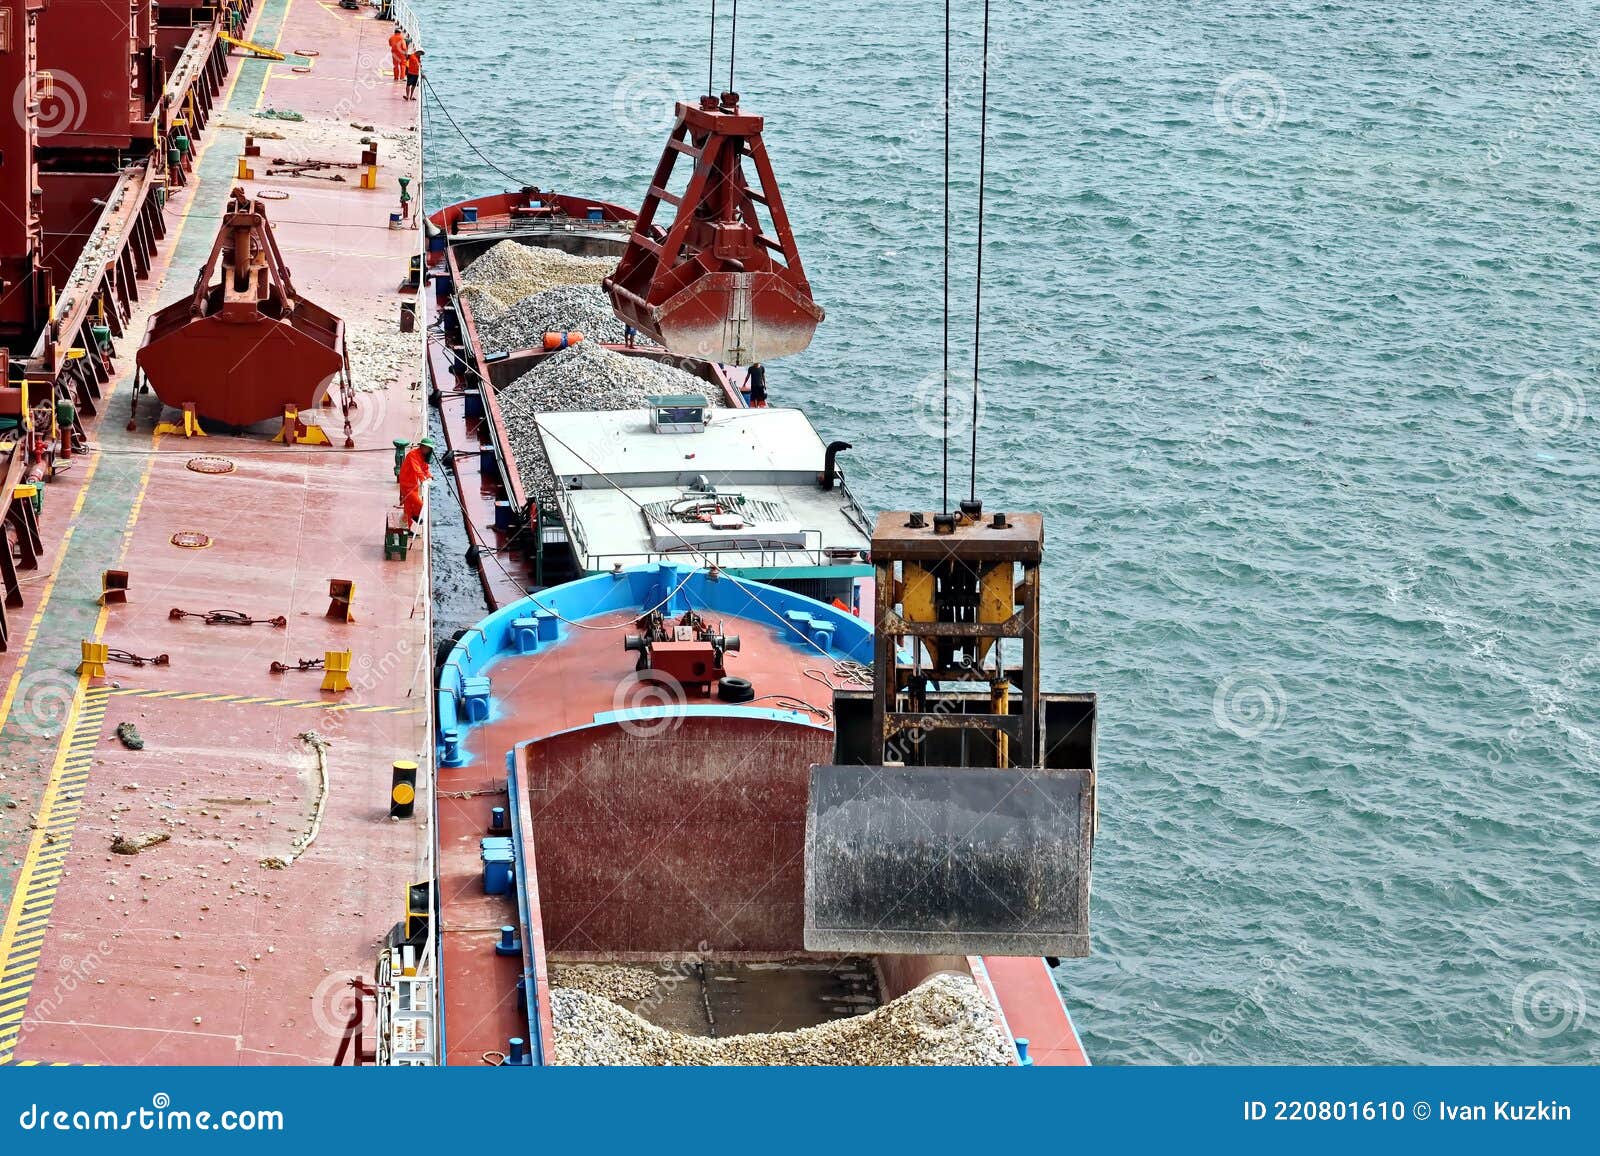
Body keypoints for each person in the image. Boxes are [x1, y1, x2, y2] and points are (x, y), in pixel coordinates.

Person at [398, 437, 434, 524]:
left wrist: (429, 476)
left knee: (408, 506)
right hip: (406, 483)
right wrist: (423, 479)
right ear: (421, 446)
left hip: (413, 483)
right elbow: (417, 469)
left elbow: (425, 469)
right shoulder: (412, 454)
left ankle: (407, 527)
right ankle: (415, 515)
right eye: (425, 447)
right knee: (420, 504)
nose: (427, 449)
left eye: (428, 448)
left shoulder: (423, 456)